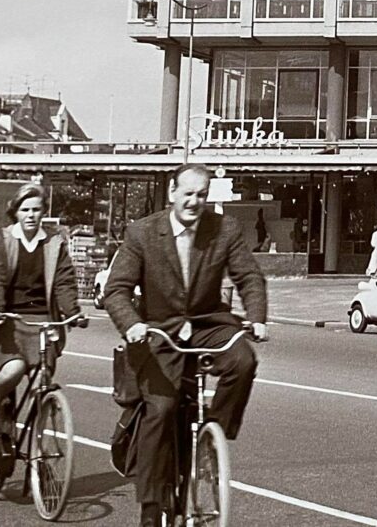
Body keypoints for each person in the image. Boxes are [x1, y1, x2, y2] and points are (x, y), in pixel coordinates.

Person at [104, 163, 268, 527]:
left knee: (243, 360)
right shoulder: (143, 232)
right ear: (172, 193)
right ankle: (150, 506)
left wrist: (257, 317)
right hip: (158, 330)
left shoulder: (224, 229)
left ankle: (213, 436)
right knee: (160, 411)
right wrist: (132, 325)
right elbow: (116, 289)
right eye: (188, 194)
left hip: (208, 323)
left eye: (202, 195)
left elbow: (248, 276)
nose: (194, 202)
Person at [0, 183, 85, 446]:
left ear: (44, 211)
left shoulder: (54, 243)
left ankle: (37, 450)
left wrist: (73, 312)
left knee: (42, 381)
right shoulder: (1, 240)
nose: (31, 215)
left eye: (36, 209)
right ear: (15, 212)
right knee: (13, 369)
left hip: (44, 320)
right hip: (10, 318)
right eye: (25, 210)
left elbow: (64, 282)